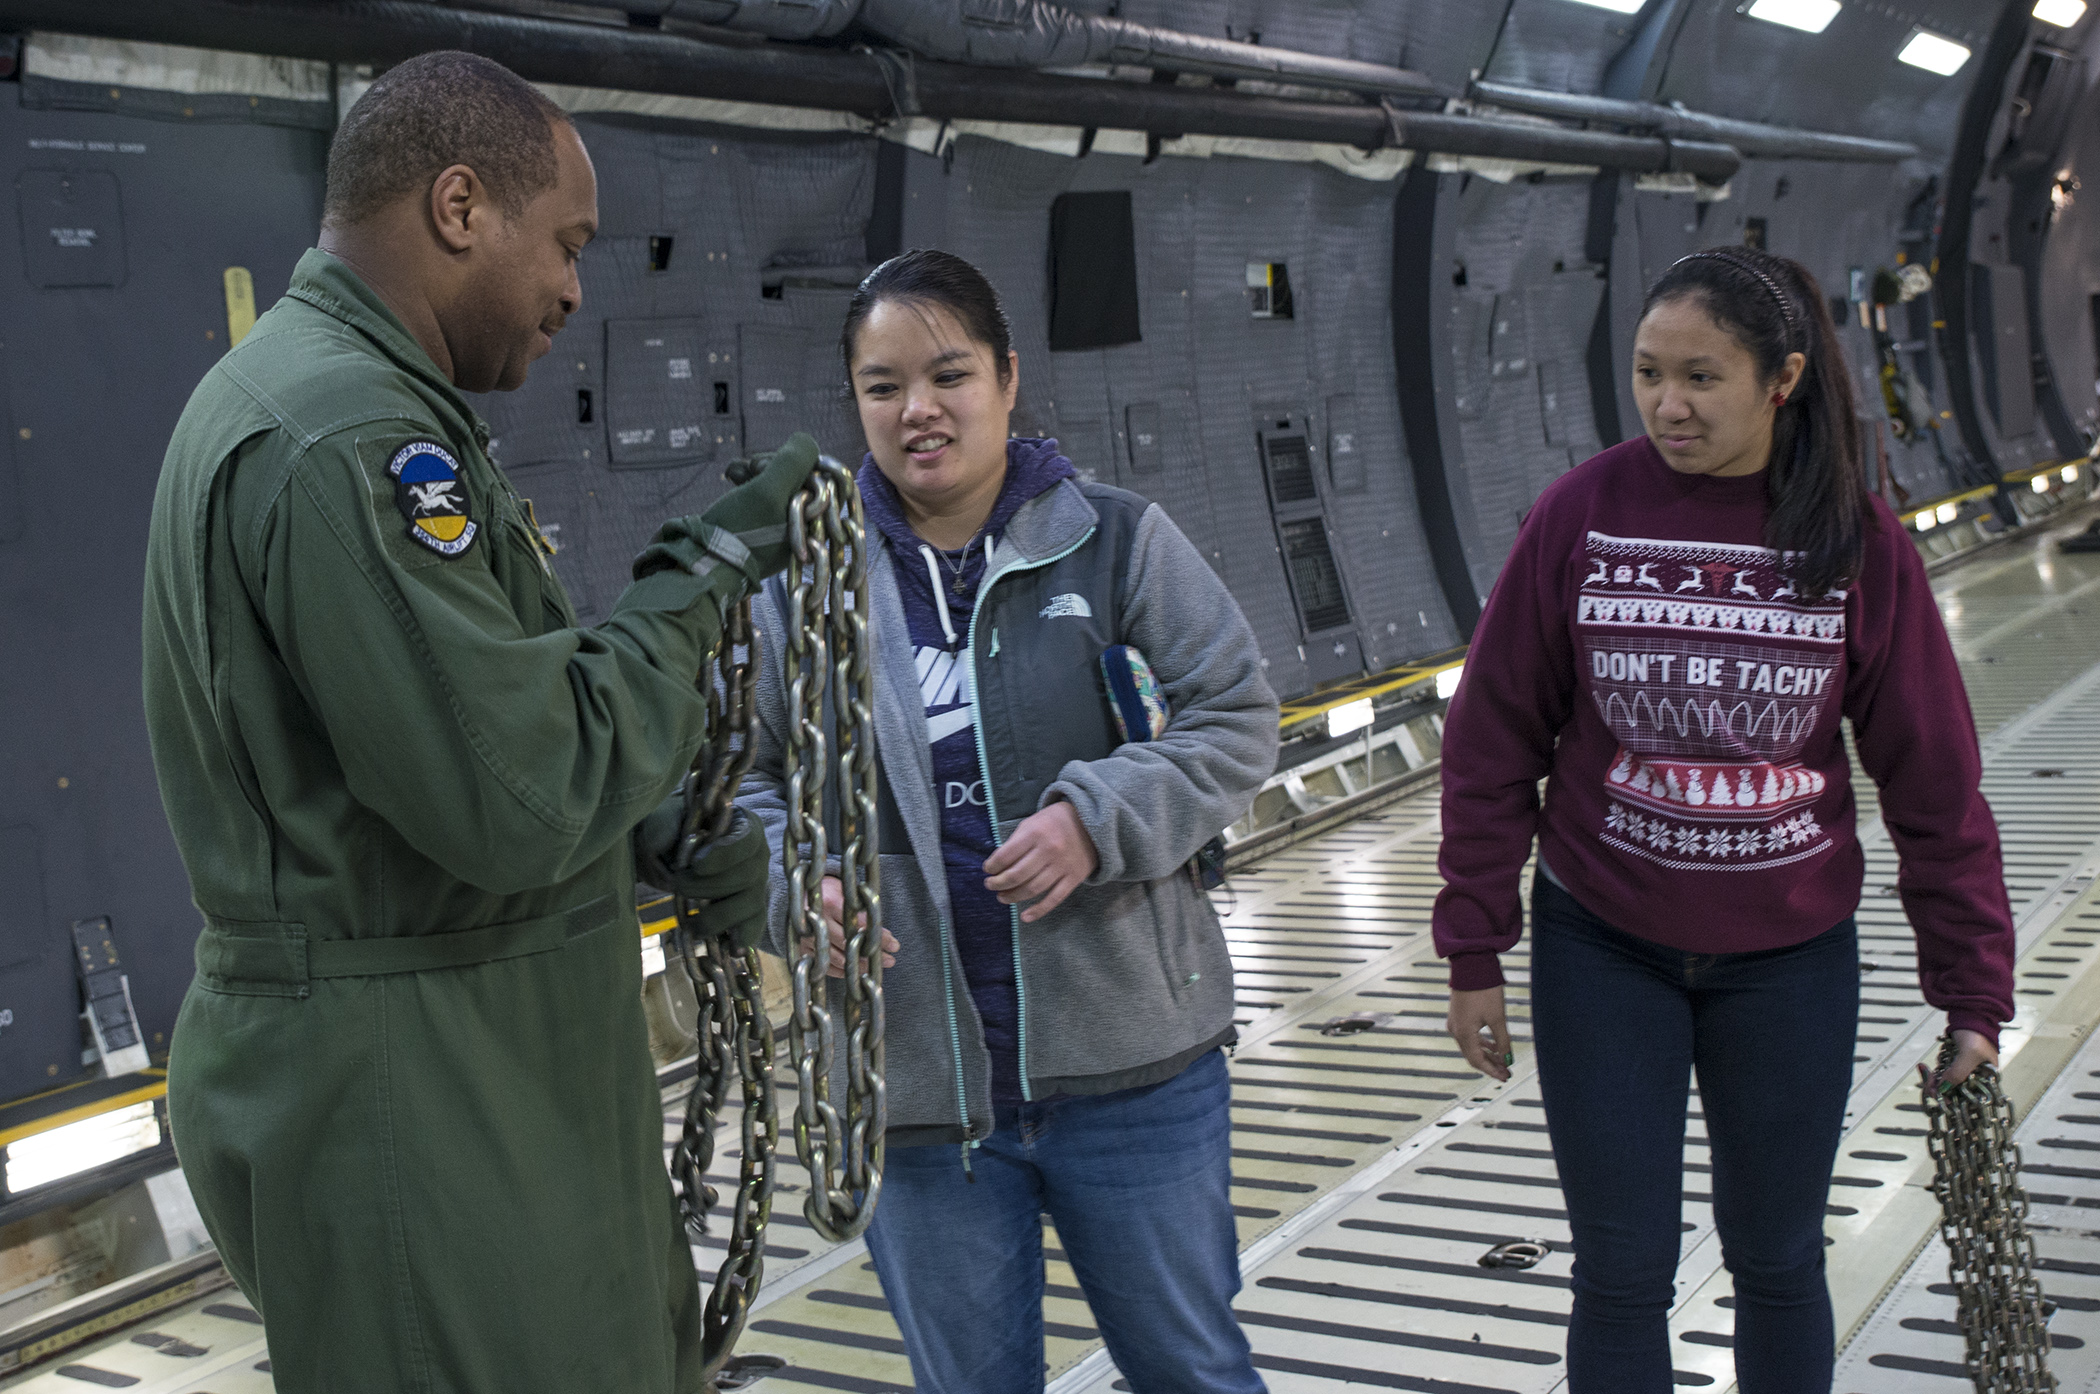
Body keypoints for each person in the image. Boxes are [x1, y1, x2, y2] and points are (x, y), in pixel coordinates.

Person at [140, 52, 814, 1394]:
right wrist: (693, 587)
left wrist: (656, 834)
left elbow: (423, 773)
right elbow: (519, 795)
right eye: (564, 243)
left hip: (483, 1081)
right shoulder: (348, 442)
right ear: (459, 208)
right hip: (423, 1115)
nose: (575, 288)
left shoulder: (356, 405)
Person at [1434, 246, 2016, 1393]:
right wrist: (1474, 944)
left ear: (1782, 376)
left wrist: (1973, 988)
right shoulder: (1582, 517)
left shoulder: (1853, 543)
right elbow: (1493, 737)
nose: (1668, 404)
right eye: (1650, 372)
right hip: (1602, 943)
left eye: (1701, 377)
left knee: (1779, 1257)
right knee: (1620, 1266)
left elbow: (1935, 783)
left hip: (1789, 959)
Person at [738, 249, 1279, 1394]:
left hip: (1134, 1067)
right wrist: (802, 882)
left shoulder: (1115, 539)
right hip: (919, 1087)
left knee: (1191, 1369)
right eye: (883, 386)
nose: (918, 410)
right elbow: (746, 776)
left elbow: (1233, 715)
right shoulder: (806, 585)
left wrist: (1100, 815)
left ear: (1007, 377)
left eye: (949, 375)